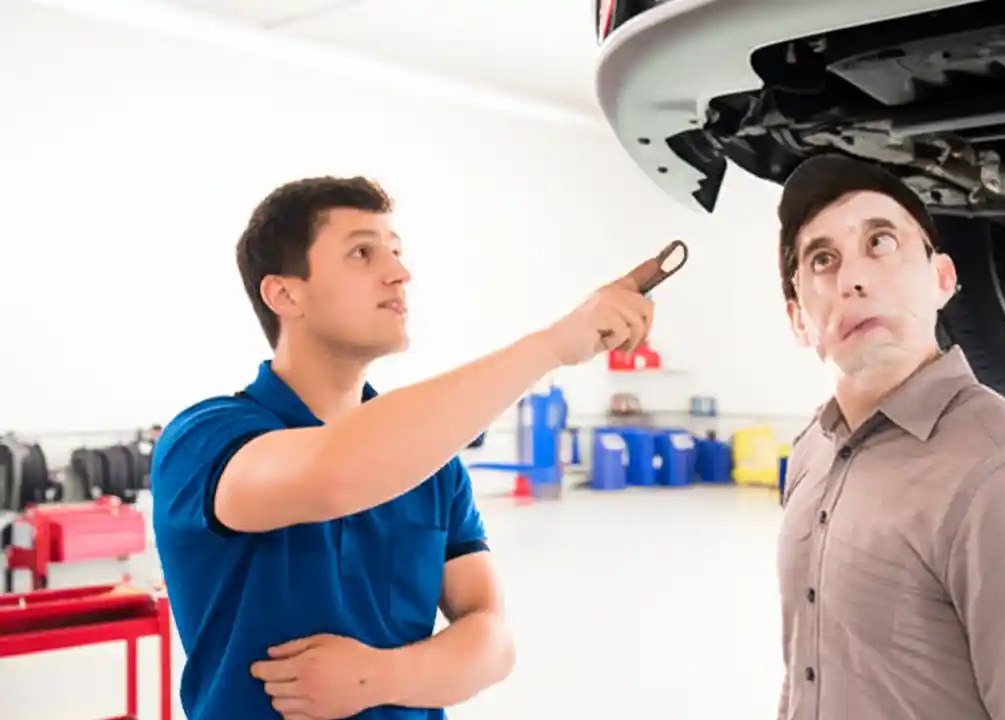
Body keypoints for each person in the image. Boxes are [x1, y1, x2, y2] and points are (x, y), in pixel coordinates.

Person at [150, 176, 659, 720]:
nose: (399, 273)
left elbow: (492, 642)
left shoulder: (433, 464)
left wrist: (376, 678)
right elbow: (333, 473)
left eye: (396, 252)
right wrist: (552, 346)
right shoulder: (205, 439)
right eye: (362, 252)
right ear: (285, 294)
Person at [773, 155, 1005, 719]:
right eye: (822, 259)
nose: (852, 279)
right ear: (798, 321)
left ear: (942, 279)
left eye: (880, 242)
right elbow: (805, 673)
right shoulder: (812, 450)